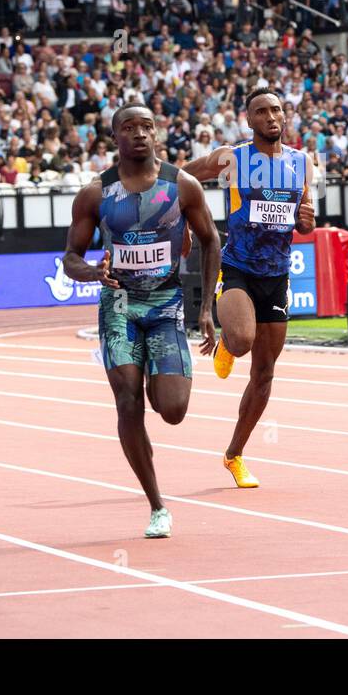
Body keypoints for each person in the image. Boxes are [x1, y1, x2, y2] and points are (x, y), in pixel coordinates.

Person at [63, 104, 220, 539]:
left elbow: (211, 241)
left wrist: (206, 308)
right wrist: (94, 272)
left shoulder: (182, 186)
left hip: (167, 303)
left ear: (157, 133)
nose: (139, 134)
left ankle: (157, 369)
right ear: (115, 137)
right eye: (128, 127)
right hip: (118, 306)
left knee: (172, 410)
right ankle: (156, 504)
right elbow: (69, 258)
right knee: (127, 400)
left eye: (146, 127)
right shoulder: (96, 194)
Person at [182, 88, 315, 488]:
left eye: (276, 109)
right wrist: (184, 221)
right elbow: (183, 177)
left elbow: (305, 221)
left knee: (264, 375)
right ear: (249, 120)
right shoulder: (233, 158)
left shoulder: (301, 162)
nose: (271, 116)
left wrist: (306, 218)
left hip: (277, 275)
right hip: (238, 266)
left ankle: (234, 454)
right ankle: (226, 342)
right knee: (241, 340)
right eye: (262, 111)